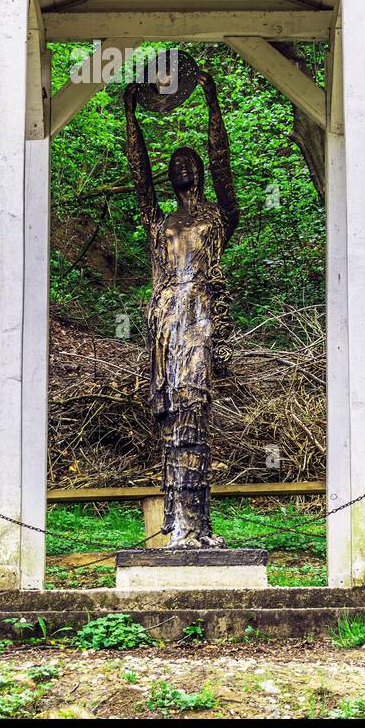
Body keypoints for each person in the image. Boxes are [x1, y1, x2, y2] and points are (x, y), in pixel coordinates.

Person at [123, 66, 239, 547]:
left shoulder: (219, 215)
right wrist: (130, 114)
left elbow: (223, 162)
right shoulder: (158, 221)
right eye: (175, 162)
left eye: (187, 159)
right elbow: (139, 172)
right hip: (168, 312)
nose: (181, 164)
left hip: (201, 311)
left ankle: (196, 524)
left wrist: (212, 100)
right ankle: (177, 524)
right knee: (171, 411)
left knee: (194, 408)